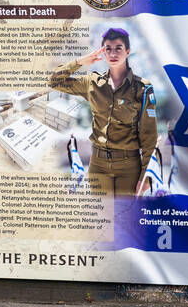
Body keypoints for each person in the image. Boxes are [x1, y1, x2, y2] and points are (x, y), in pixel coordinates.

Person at [48, 27, 157, 197]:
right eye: (108, 49)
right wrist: (79, 62)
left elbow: (149, 135)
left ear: (127, 52)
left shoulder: (142, 88)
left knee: (124, 218)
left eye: (118, 48)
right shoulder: (92, 83)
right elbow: (54, 81)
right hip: (98, 164)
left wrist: (146, 177)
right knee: (102, 218)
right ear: (103, 53)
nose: (113, 53)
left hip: (128, 166)